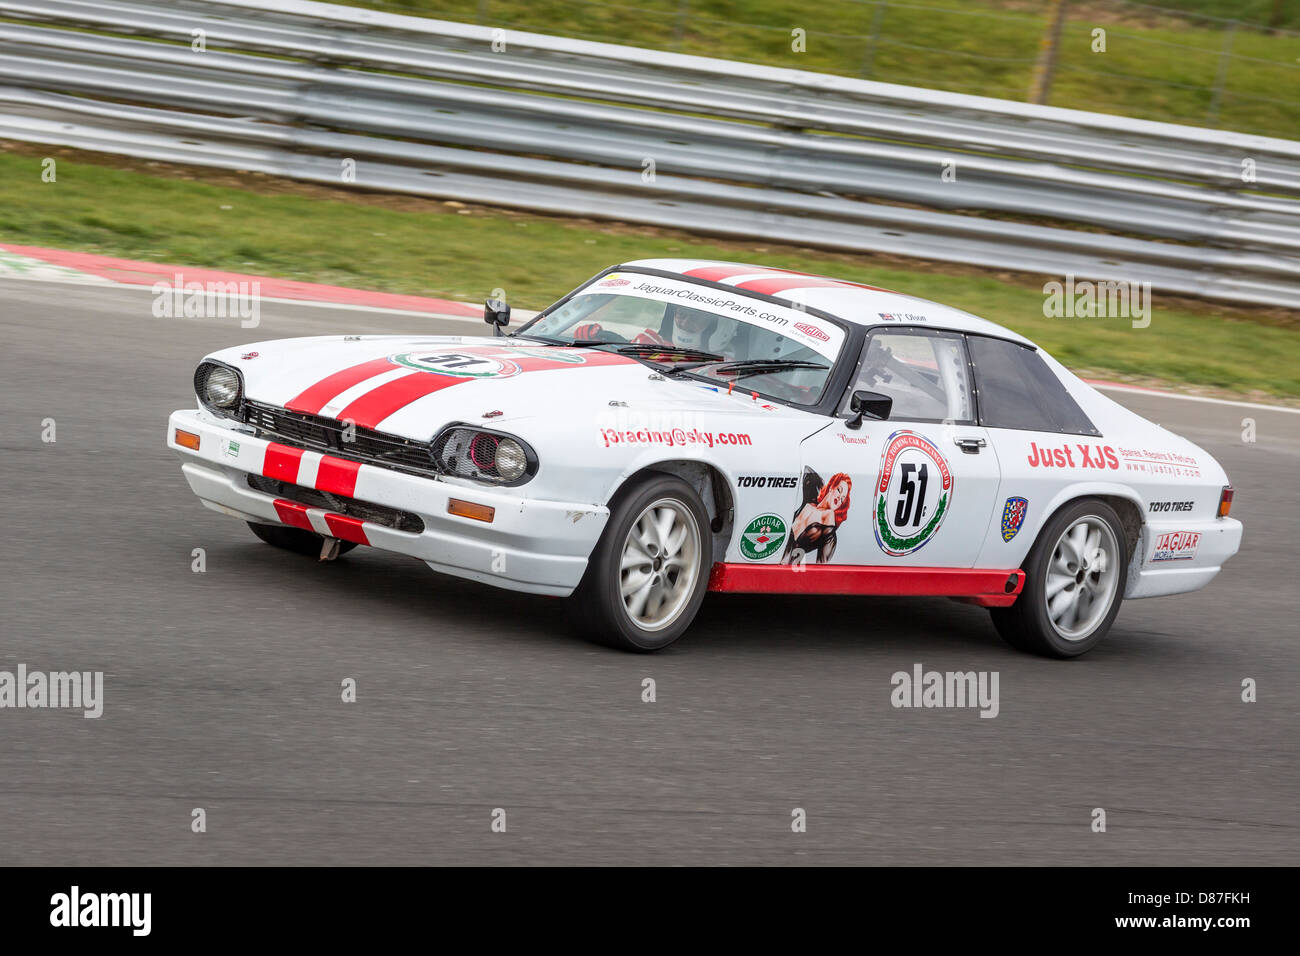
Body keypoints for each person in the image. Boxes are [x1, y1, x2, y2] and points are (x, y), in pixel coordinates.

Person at [781, 469, 852, 564]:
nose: (839, 498)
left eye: (842, 499)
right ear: (831, 487)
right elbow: (805, 470)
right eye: (839, 490)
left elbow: (822, 566)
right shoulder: (811, 501)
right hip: (773, 559)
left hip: (787, 569)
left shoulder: (829, 531)